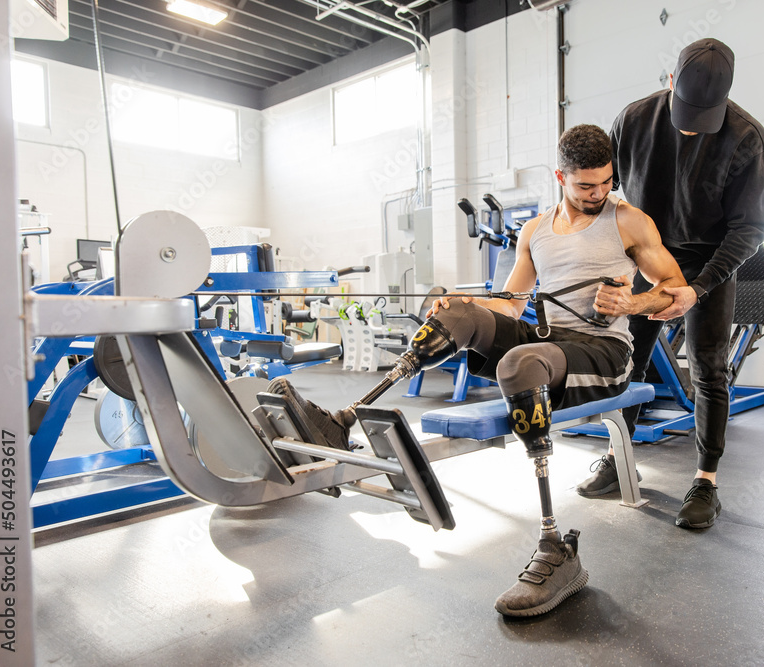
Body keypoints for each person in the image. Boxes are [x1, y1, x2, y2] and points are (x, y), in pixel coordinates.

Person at [271, 124, 684, 617]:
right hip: (549, 339)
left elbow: (675, 289)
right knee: (458, 316)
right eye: (585, 185)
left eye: (606, 183)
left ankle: (555, 548)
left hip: (604, 352)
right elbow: (510, 305)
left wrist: (633, 302)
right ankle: (343, 421)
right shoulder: (535, 231)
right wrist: (464, 303)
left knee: (519, 364)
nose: (599, 194)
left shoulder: (629, 221)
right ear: (561, 177)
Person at [575, 38, 764, 530]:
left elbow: (749, 229)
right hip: (647, 253)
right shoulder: (633, 120)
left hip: (709, 259)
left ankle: (706, 482)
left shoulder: (749, 140)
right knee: (626, 359)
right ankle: (618, 458)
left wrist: (698, 288)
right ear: (669, 81)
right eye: (685, 113)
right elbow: (607, 191)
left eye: (704, 119)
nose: (689, 127)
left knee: (709, 368)